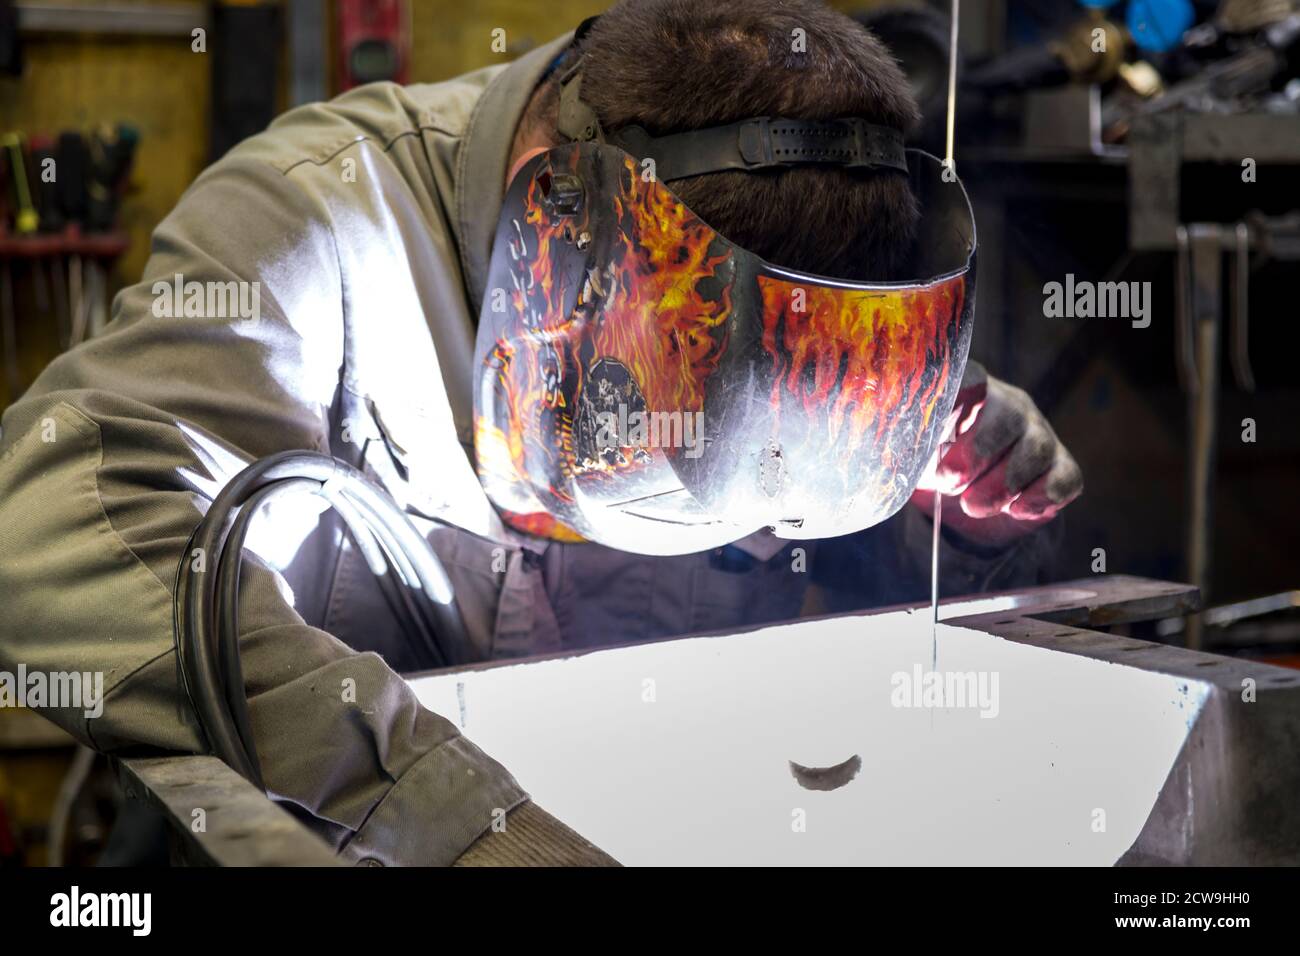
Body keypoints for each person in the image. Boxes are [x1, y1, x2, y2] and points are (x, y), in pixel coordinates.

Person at [0, 0, 1080, 866]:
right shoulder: (318, 221)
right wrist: (443, 811)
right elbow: (41, 534)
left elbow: (845, 590)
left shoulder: (792, 284)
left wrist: (948, 519)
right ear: (553, 234)